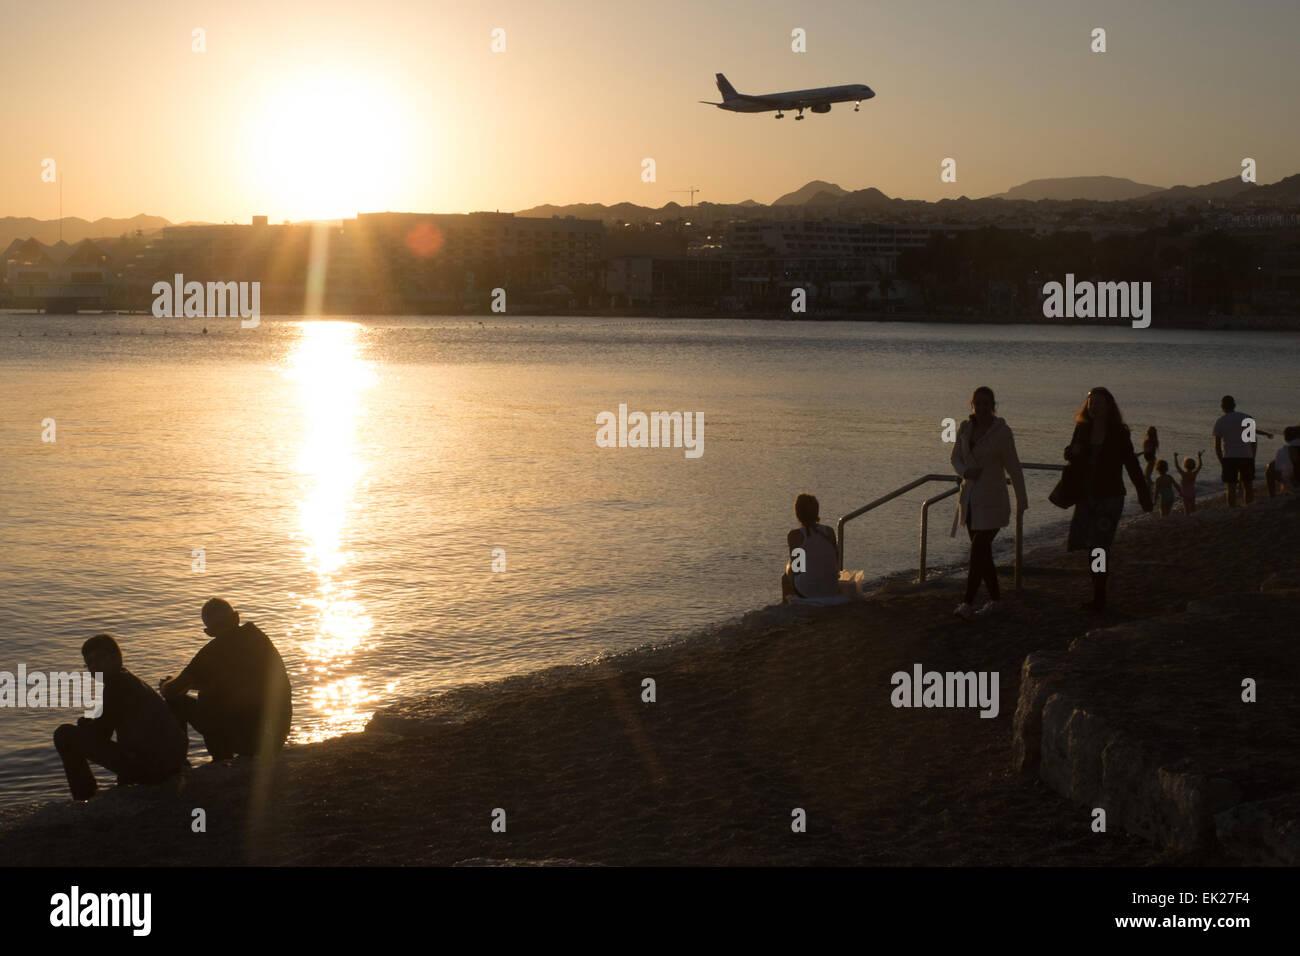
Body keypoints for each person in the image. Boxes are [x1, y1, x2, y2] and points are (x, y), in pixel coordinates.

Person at [53, 633, 188, 800]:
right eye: (89, 664)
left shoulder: (116, 686)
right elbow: (110, 720)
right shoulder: (128, 680)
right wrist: (90, 726)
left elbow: (101, 734)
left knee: (64, 734)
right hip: (171, 762)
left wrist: (86, 729)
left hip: (155, 768)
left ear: (116, 657)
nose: (94, 666)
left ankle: (84, 797)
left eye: (99, 659)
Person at [160, 598, 292, 760]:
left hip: (246, 741)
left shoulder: (211, 653)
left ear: (209, 632)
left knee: (176, 701)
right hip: (274, 738)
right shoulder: (258, 638)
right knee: (215, 694)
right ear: (236, 617)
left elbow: (171, 691)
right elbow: (237, 680)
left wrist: (166, 684)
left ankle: (182, 761)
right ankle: (224, 754)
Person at [1063, 387, 1153, 614]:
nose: (1095, 407)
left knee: (1100, 547)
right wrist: (1071, 451)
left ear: (1108, 406)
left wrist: (1143, 494)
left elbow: (1132, 464)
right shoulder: (1082, 429)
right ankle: (1097, 587)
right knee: (1090, 546)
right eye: (1091, 404)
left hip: (1110, 497)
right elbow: (1071, 455)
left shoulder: (1118, 432)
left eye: (1099, 404)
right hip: (1085, 497)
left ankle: (1099, 595)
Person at [950, 386, 1027, 621]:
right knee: (983, 554)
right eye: (978, 403)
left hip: (993, 501)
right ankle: (996, 600)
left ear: (993, 406)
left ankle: (967, 603)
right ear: (972, 405)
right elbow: (955, 458)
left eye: (986, 403)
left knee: (978, 550)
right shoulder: (964, 428)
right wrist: (966, 471)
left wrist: (1022, 499)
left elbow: (1013, 466)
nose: (982, 408)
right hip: (971, 500)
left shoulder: (1002, 432)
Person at [1212, 395, 1272, 507]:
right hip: (1246, 456)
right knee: (1248, 486)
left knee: (1231, 488)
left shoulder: (1220, 421)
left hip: (1229, 457)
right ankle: (1248, 507)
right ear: (1234, 405)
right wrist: (1252, 457)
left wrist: (1222, 462)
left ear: (1222, 407)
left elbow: (1217, 446)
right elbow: (1253, 441)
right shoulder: (1246, 417)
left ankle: (1232, 509)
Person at [781, 493, 840, 601]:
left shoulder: (795, 535)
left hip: (808, 591)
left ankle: (786, 605)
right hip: (831, 588)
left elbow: (797, 567)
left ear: (798, 513)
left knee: (785, 576)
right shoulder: (829, 531)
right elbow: (837, 559)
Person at [1265, 425, 1300, 496]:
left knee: (1270, 469)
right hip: (1295, 472)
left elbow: (1282, 465)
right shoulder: (1291, 446)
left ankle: (1272, 495)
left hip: (1295, 475)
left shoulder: (1289, 447)